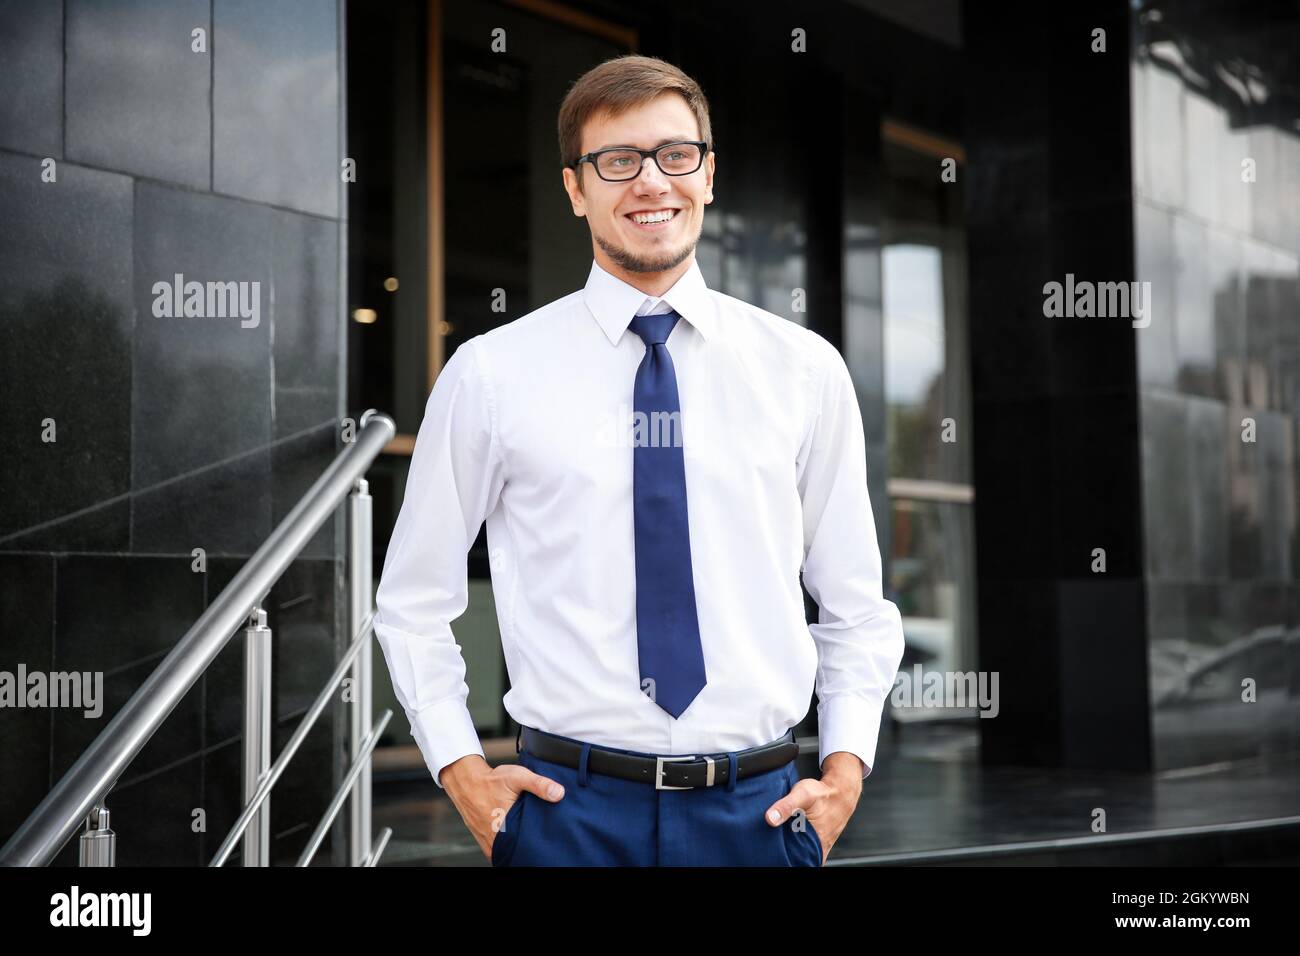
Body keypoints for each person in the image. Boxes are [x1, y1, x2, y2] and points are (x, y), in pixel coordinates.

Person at [372, 54, 905, 866]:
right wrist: (461, 769)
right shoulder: (491, 372)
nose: (651, 182)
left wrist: (844, 772)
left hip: (760, 820)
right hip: (568, 818)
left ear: (709, 173)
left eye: (675, 154)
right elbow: (413, 600)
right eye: (617, 161)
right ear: (575, 188)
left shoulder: (804, 370)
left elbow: (856, 604)